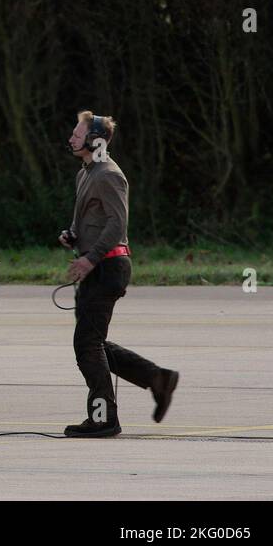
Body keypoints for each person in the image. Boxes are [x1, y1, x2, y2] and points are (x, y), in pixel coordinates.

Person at [60, 110, 179, 437]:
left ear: (95, 140)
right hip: (96, 267)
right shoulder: (86, 173)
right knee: (92, 343)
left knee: (87, 345)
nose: (71, 138)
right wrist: (73, 234)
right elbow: (90, 220)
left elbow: (117, 224)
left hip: (108, 267)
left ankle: (103, 419)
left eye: (77, 134)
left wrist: (90, 259)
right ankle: (158, 379)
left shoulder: (109, 175)